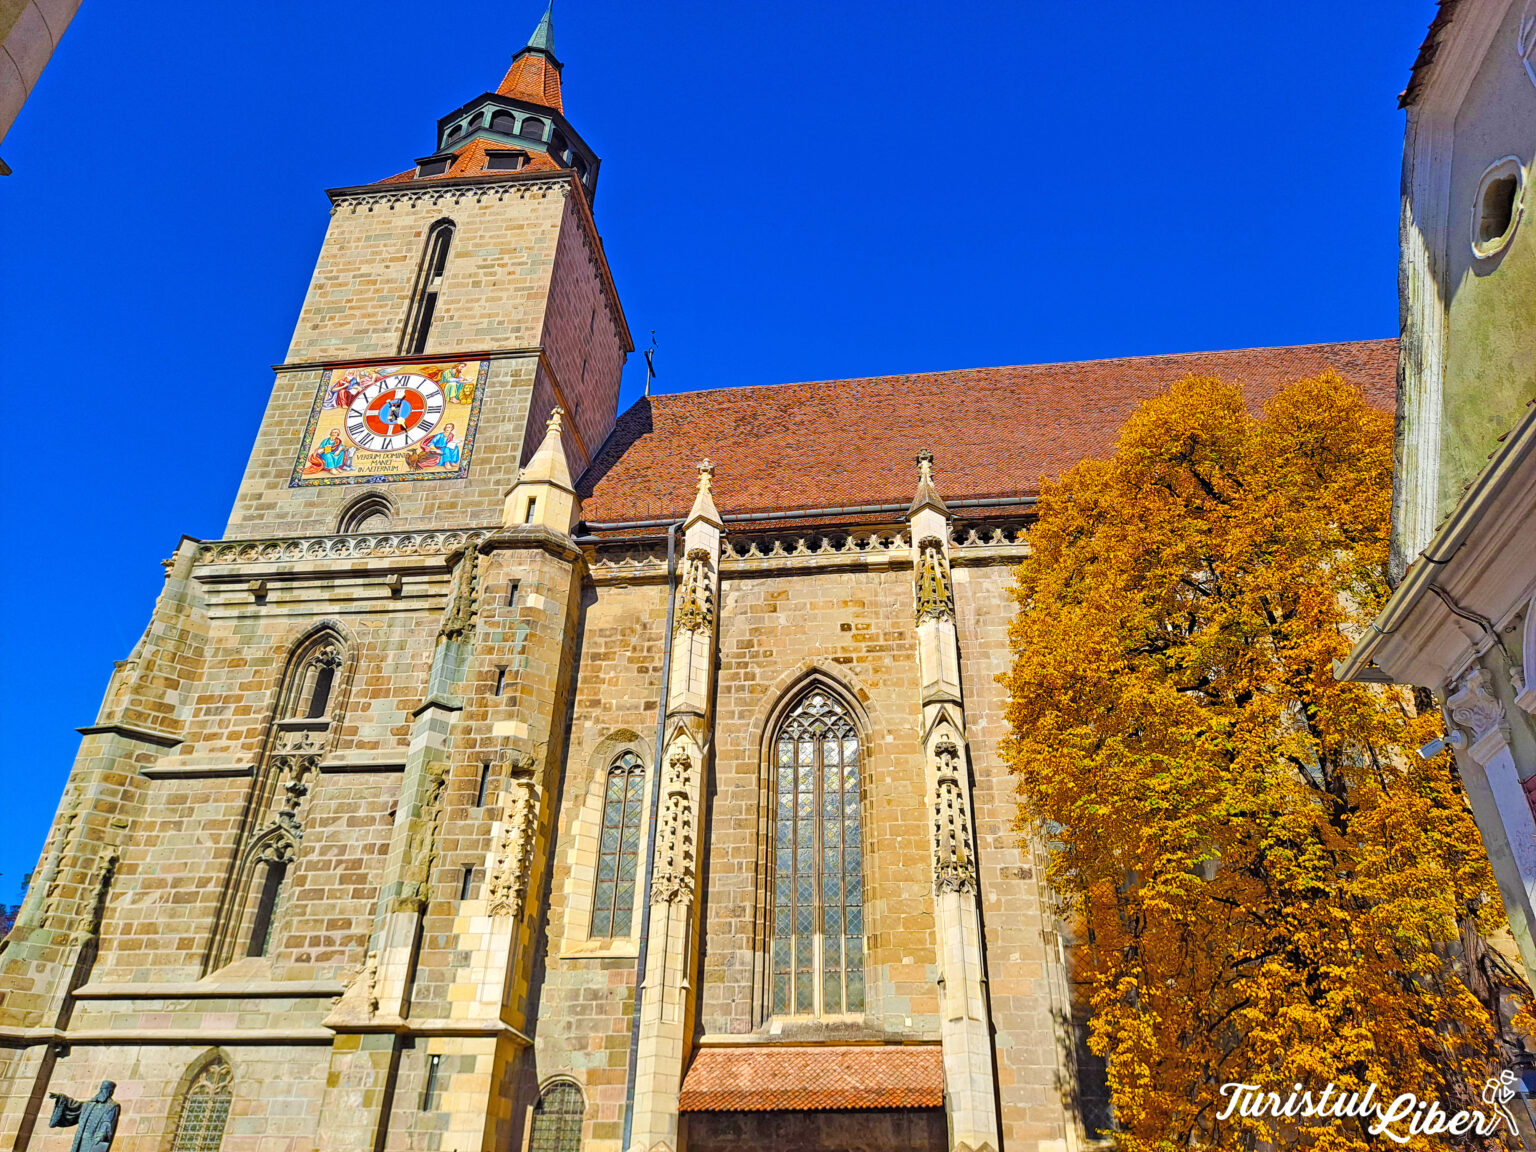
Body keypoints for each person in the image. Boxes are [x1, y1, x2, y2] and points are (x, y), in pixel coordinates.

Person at [49, 1080, 120, 1151]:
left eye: (105, 1090)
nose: (102, 1092)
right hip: (80, 1139)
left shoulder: (112, 1106)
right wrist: (61, 1097)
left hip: (93, 1141)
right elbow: (75, 1106)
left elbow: (108, 1122)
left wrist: (100, 1136)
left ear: (111, 1092)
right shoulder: (88, 1104)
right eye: (101, 1089)